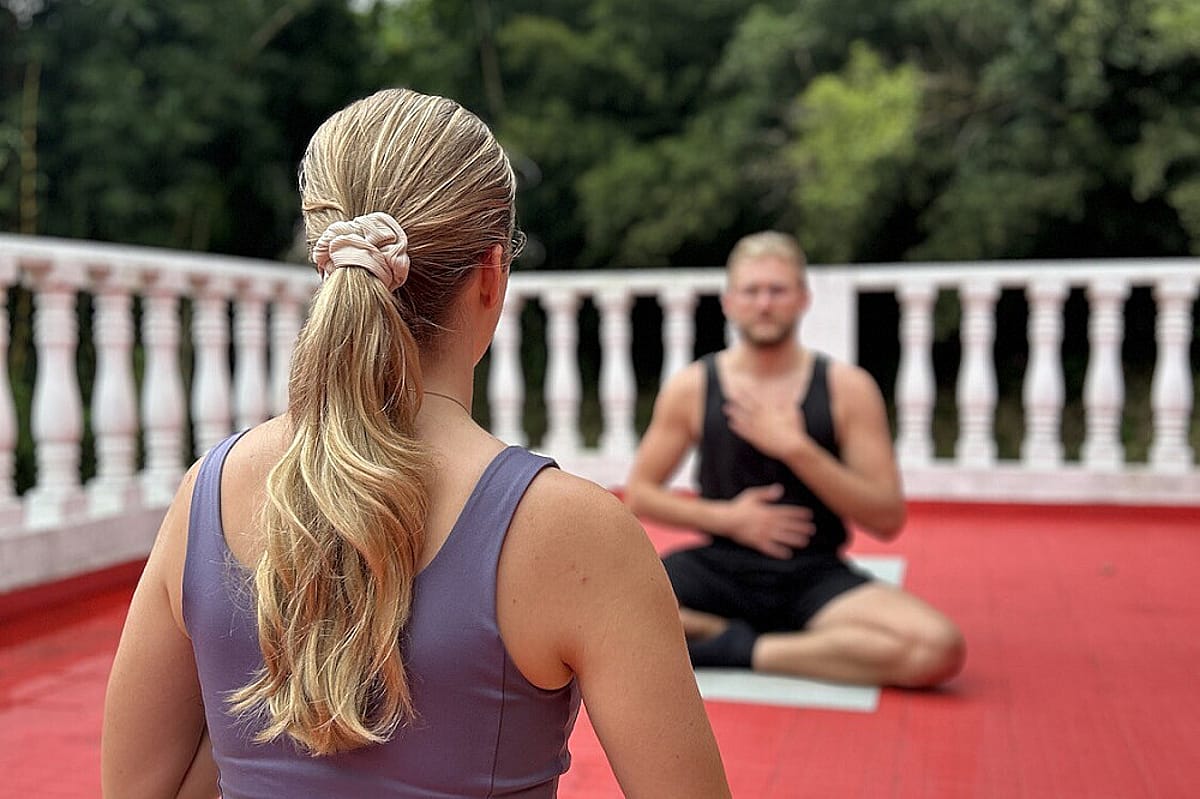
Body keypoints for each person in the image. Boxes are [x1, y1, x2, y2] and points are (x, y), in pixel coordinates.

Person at [101, 88, 730, 799]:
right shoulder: (575, 533)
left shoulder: (211, 491)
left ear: (325, 260)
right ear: (492, 274)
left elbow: (135, 787)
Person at [625, 231, 965, 688]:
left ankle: (738, 647)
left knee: (936, 648)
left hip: (811, 574)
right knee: (608, 611)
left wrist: (797, 448)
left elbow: (886, 517)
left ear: (803, 299)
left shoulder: (848, 388)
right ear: (729, 302)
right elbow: (641, 493)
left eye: (777, 290)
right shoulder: (694, 386)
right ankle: (791, 645)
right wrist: (729, 519)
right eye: (751, 291)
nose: (764, 303)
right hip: (719, 568)